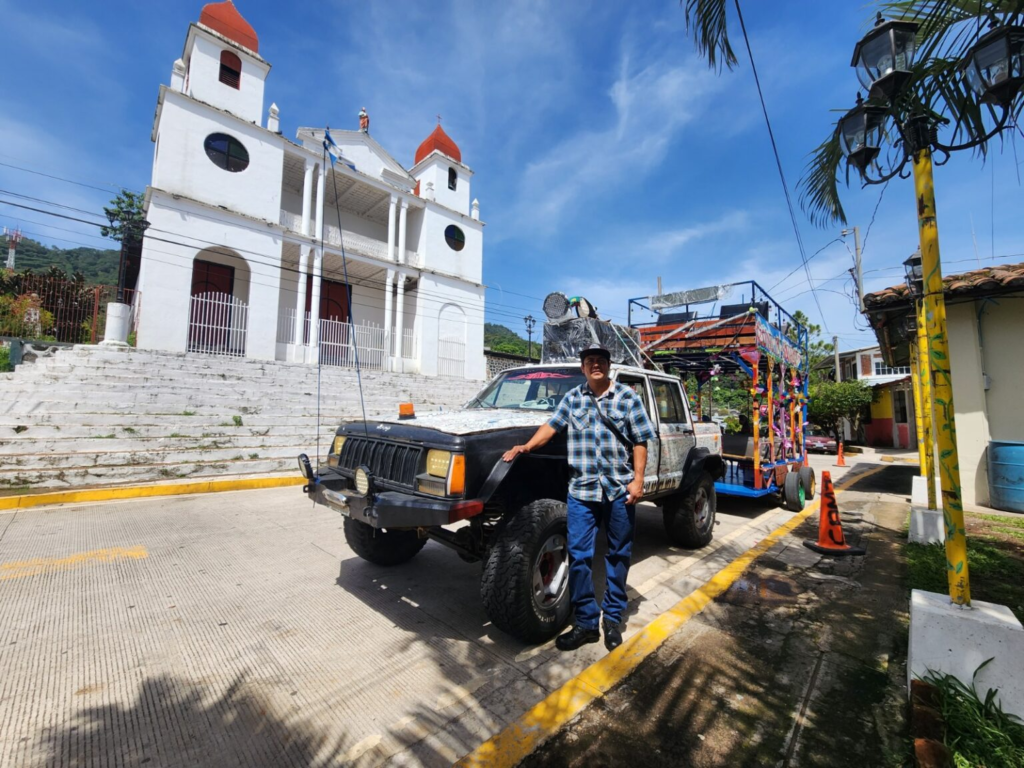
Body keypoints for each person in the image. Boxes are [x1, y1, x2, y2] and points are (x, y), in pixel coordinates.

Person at [502, 346, 656, 652]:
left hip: (619, 489)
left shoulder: (628, 398)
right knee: (580, 556)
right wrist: (526, 447)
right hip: (582, 491)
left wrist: (638, 481)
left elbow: (640, 440)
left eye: (600, 361)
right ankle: (586, 623)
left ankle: (612, 618)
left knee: (618, 554)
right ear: (583, 368)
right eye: (589, 362)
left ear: (609, 366)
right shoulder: (572, 398)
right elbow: (551, 426)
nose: (595, 365)